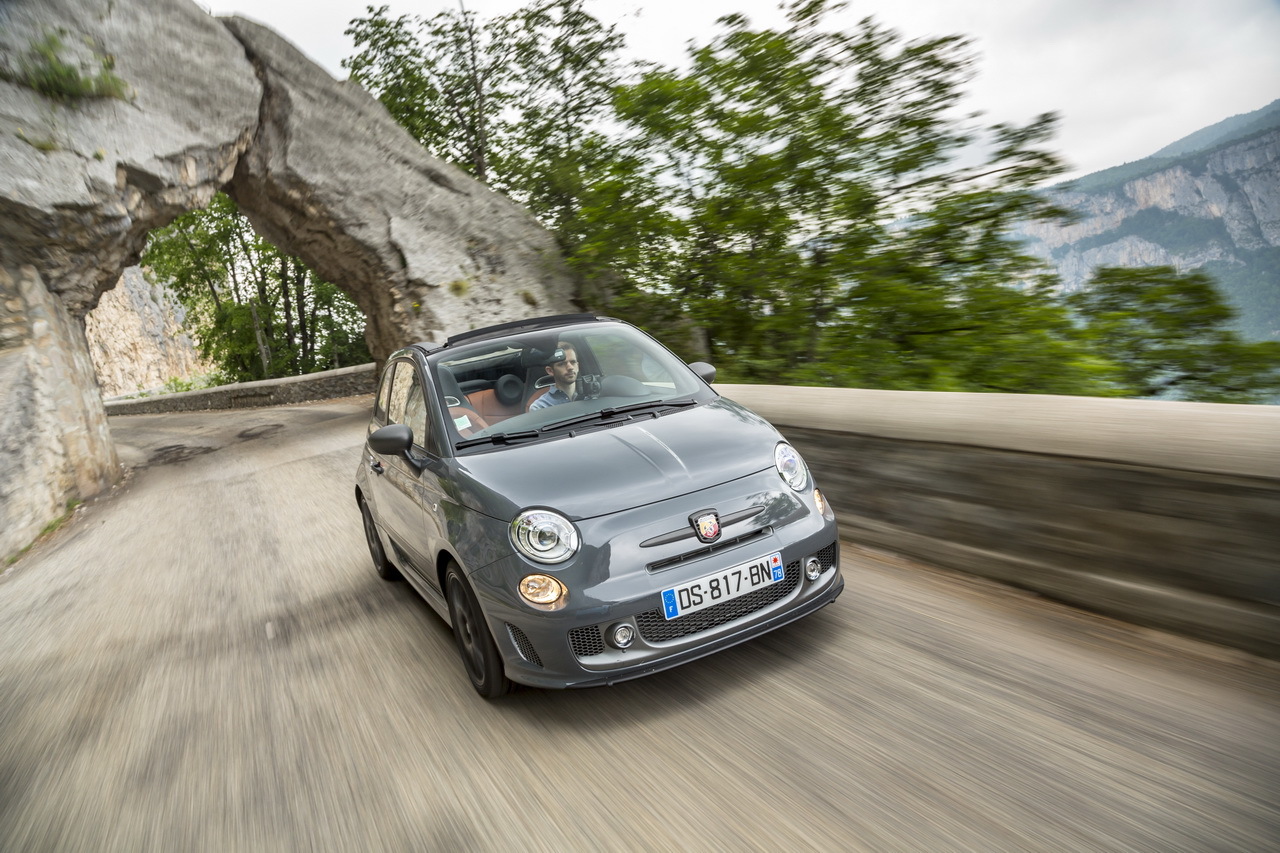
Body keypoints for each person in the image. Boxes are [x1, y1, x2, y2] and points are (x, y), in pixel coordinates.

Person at [529, 343, 580, 409]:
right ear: (550, 371)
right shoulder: (540, 407)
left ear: (578, 366)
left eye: (573, 362)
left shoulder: (593, 395)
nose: (570, 367)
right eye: (562, 364)